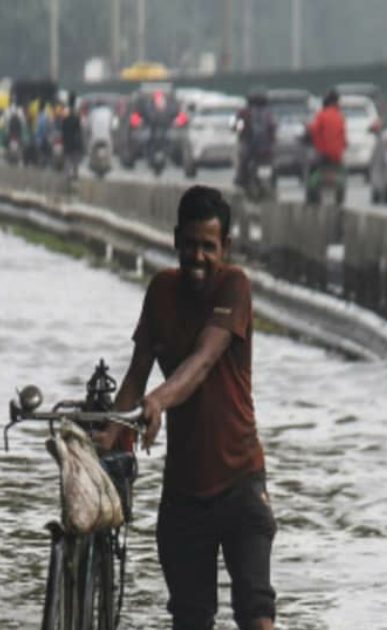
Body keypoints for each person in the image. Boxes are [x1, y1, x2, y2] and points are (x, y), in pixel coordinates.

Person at [99, 186, 276, 630]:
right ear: (176, 239)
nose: (198, 257)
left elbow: (201, 361)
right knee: (190, 618)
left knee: (256, 612)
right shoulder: (160, 291)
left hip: (240, 482)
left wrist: (157, 401)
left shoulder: (235, 287)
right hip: (183, 493)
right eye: (190, 244)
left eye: (208, 247)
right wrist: (109, 437)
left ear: (226, 248)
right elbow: (137, 373)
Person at [306, 90, 347, 204]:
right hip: (337, 157)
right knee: (342, 173)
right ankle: (340, 199)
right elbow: (344, 138)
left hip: (323, 156)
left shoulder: (322, 115)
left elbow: (313, 130)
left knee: (312, 173)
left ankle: (311, 200)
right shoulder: (340, 117)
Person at [234, 91, 275, 188]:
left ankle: (242, 179)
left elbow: (238, 127)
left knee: (242, 160)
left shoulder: (244, 112)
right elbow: (273, 128)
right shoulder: (269, 113)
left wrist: (239, 132)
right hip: (265, 146)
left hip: (250, 145)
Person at [60, 92, 84, 178]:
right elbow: (79, 126)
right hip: (75, 138)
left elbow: (62, 124)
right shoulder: (76, 111)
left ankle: (67, 176)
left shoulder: (65, 110)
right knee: (75, 159)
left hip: (67, 137)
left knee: (67, 158)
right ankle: (75, 174)